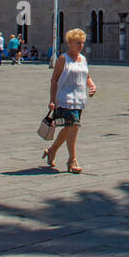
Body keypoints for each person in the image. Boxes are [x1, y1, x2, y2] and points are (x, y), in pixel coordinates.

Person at [42, 27, 97, 175]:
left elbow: (87, 76)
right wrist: (52, 99)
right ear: (70, 43)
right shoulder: (62, 59)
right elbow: (54, 80)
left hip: (79, 99)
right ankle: (72, 160)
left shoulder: (83, 59)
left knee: (69, 128)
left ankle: (52, 151)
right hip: (65, 99)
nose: (81, 45)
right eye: (78, 42)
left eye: (82, 43)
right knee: (74, 126)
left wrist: (92, 86)